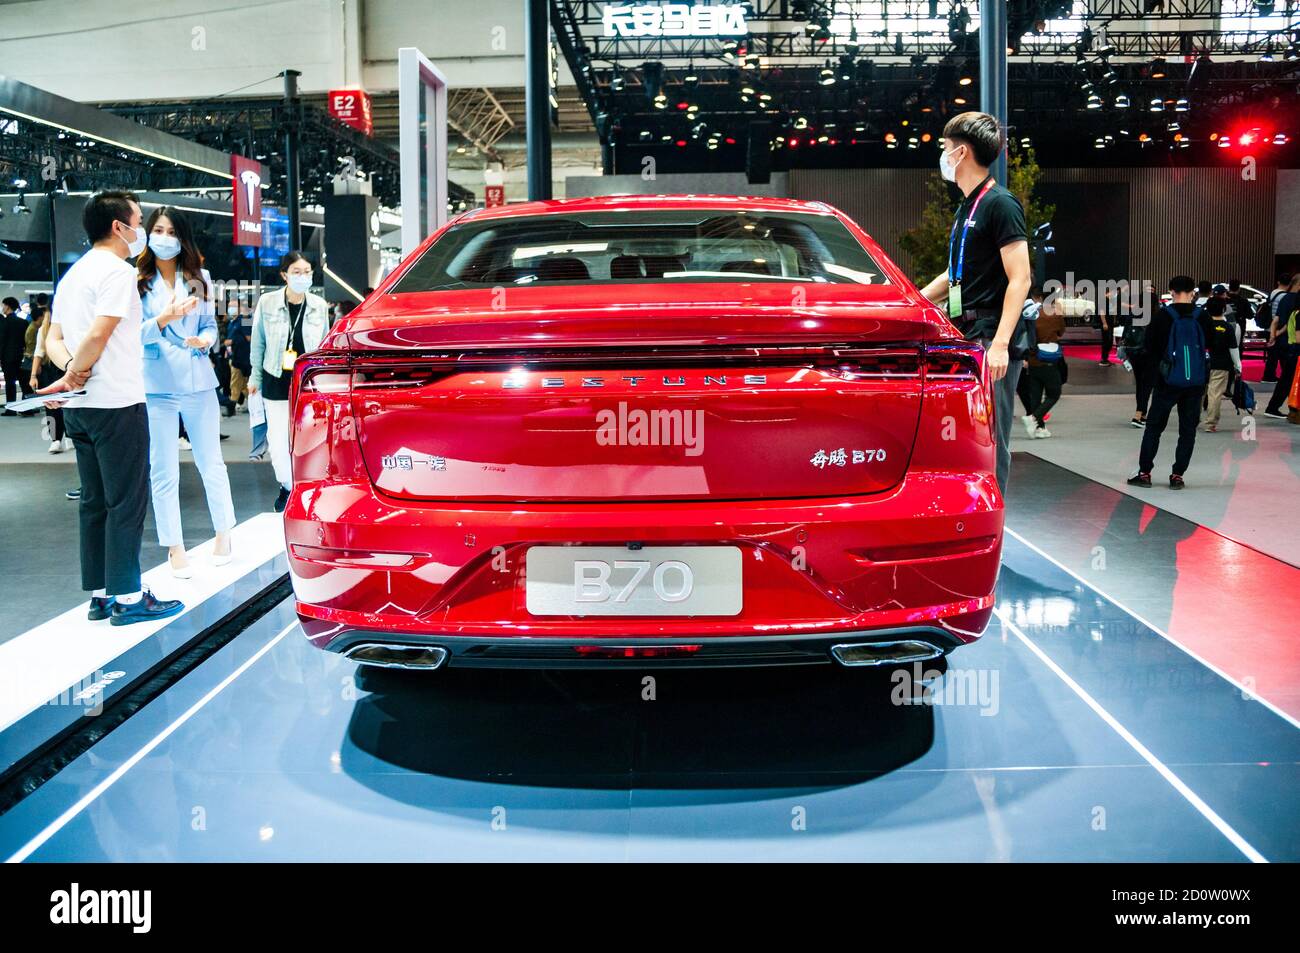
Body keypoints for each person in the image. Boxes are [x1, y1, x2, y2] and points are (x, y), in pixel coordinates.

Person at [39, 190, 184, 625]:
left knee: (95, 501)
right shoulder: (117, 274)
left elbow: (53, 337)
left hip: (81, 410)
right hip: (117, 403)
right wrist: (75, 373)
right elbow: (100, 335)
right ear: (120, 227)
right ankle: (129, 597)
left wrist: (68, 370)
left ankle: (102, 594)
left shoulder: (73, 276)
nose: (141, 229)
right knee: (126, 501)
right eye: (139, 220)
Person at [919, 112, 1032, 494]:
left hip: (990, 341)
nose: (943, 155)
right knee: (969, 438)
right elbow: (954, 276)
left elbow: (1021, 278)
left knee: (992, 440)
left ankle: (994, 532)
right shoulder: (967, 207)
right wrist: (913, 299)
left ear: (962, 152)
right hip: (967, 336)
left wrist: (1000, 344)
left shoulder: (1000, 203)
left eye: (946, 148)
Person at [137, 206, 237, 578]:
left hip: (197, 379)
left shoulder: (199, 278)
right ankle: (174, 547)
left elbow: (211, 324)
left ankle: (224, 533)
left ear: (182, 237)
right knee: (162, 469)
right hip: (156, 384)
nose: (163, 237)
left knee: (211, 461)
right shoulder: (136, 280)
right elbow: (131, 335)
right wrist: (164, 319)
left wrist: (205, 340)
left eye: (171, 231)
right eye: (157, 229)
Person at [248, 251, 329, 513]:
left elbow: (325, 345)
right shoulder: (268, 302)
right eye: (296, 272)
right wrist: (254, 377)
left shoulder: (319, 305)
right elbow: (259, 341)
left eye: (307, 272)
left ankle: (307, 488)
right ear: (284, 274)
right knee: (278, 439)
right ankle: (287, 485)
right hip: (275, 378)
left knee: (312, 437)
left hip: (309, 382)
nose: (302, 277)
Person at [1128, 276, 1208, 490]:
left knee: (1154, 428)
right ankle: (1177, 476)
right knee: (1188, 430)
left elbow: (1150, 347)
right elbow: (1209, 344)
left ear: (1171, 291)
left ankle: (1144, 473)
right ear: (1193, 292)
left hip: (1167, 380)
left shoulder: (1163, 316)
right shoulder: (1202, 316)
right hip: (1195, 383)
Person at [1020, 292, 1066, 438]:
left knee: (1036, 394)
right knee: (1054, 393)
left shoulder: (1031, 314)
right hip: (1048, 359)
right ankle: (1034, 418)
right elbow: (1061, 332)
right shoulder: (1055, 315)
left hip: (1032, 360)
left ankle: (1039, 428)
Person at [1199, 297, 1242, 433]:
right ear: (1224, 309)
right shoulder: (1228, 327)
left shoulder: (1202, 326)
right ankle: (1210, 423)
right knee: (1215, 394)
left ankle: (1192, 419)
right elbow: (1233, 349)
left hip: (1201, 363)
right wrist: (1238, 365)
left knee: (1198, 393)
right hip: (1221, 364)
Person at [1263, 273, 1300, 420]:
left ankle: (1277, 407)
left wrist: (1273, 335)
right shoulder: (1295, 301)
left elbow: (1276, 320)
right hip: (1291, 344)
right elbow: (1292, 324)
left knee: (1287, 378)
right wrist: (1278, 333)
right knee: (1289, 378)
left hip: (1284, 343)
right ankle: (1283, 408)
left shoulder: (1283, 298)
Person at [1, 296, 30, 412]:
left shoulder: (4, 322)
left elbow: (2, 340)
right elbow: (26, 340)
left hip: (7, 357)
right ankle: (27, 407)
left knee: (10, 383)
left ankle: (11, 408)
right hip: (20, 356)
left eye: (3, 305)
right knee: (24, 382)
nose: (2, 308)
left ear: (7, 306)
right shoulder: (23, 322)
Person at [1260, 273, 1290, 383]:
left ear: (1278, 282)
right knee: (1281, 354)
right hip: (1278, 328)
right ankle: (1276, 375)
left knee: (1272, 354)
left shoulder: (1273, 293)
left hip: (1269, 327)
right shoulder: (1285, 296)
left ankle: (1269, 375)